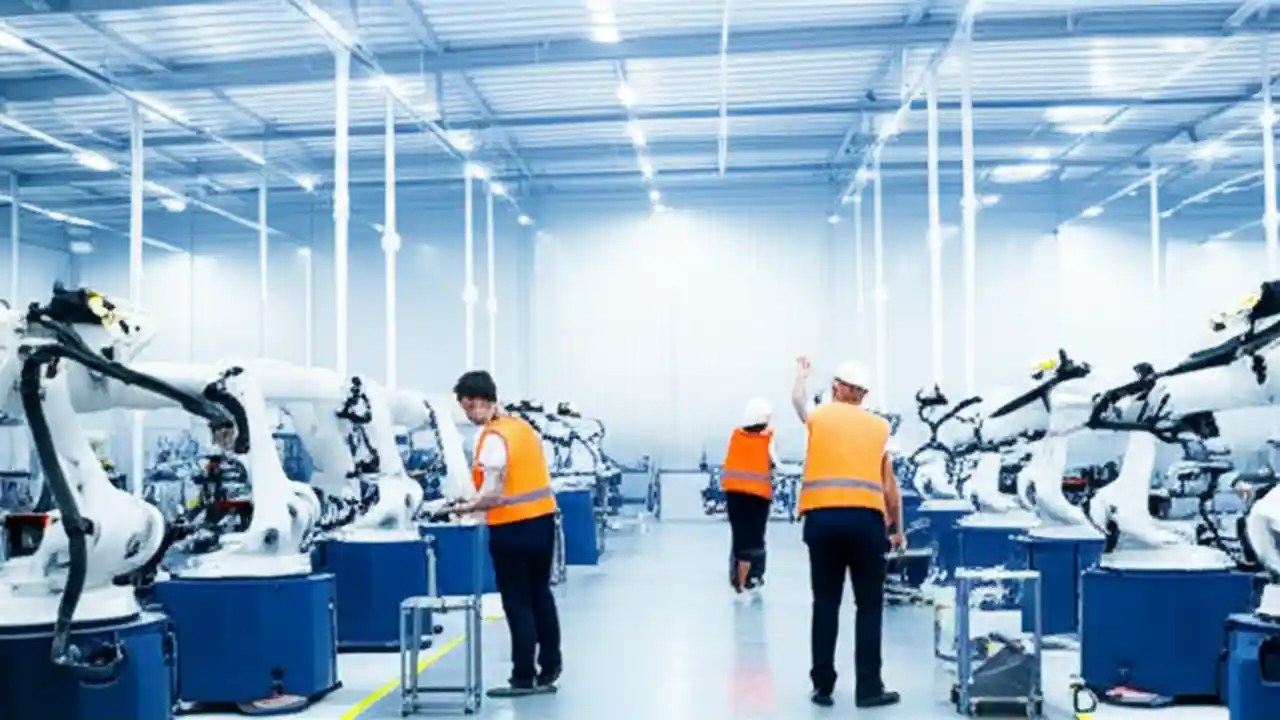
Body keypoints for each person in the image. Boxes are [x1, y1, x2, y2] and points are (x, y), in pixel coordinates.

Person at [791, 356, 904, 709]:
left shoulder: (819, 416)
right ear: (863, 394)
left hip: (822, 522)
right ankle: (869, 689)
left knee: (825, 603)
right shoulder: (880, 427)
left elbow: (798, 401)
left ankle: (823, 685)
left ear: (837, 387)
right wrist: (897, 529)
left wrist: (801, 376)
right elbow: (891, 489)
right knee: (869, 605)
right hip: (866, 524)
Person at [451, 370, 562, 697]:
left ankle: (523, 675)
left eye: (466, 408)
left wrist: (465, 507)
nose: (468, 415)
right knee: (540, 594)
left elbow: (493, 491)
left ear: (473, 401)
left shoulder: (493, 438)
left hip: (512, 528)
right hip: (542, 522)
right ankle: (551, 665)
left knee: (517, 600)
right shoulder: (523, 429)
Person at [721, 398, 779, 594]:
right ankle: (750, 578)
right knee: (755, 539)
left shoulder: (736, 436)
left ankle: (737, 577)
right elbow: (775, 463)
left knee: (739, 536)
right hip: (758, 497)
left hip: (735, 495)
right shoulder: (767, 439)